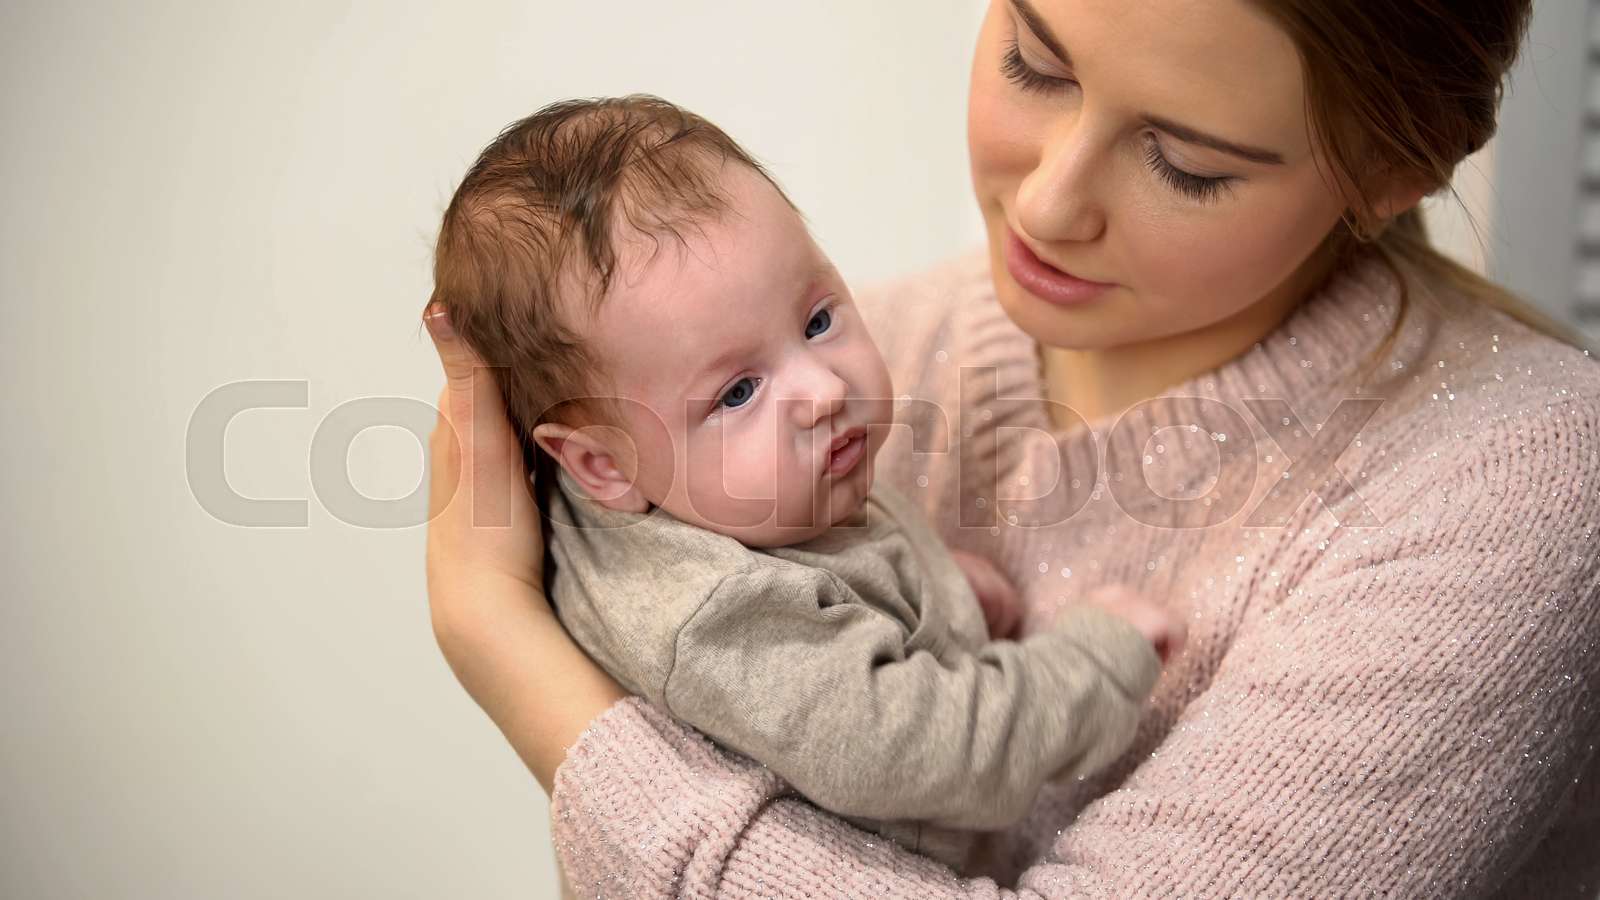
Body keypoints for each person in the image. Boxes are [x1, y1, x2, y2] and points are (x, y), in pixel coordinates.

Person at [424, 0, 1600, 894]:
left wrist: (521, 672)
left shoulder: (1520, 484)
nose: (1043, 209)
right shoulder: (870, 357)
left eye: (1185, 162)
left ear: (1388, 177)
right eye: (1035, 61)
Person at [424, 95, 1184, 876]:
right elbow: (917, 748)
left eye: (818, 320)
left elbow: (830, 618)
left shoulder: (718, 493)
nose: (821, 390)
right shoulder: (717, 612)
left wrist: (938, 596)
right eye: (737, 393)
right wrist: (1091, 664)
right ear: (603, 464)